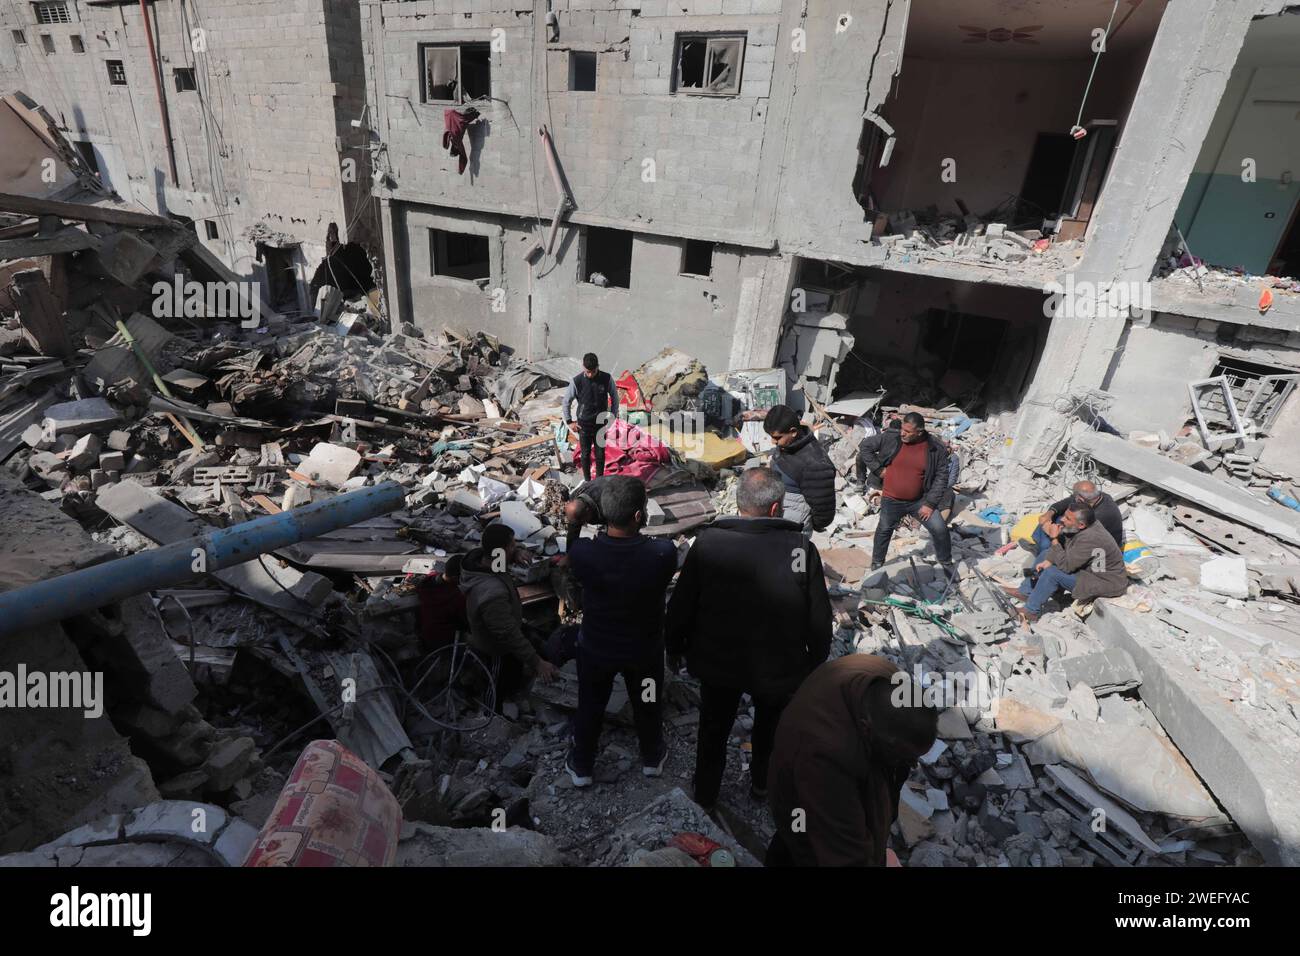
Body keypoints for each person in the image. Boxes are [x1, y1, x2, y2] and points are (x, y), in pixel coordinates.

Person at [666, 467, 833, 810]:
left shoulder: (709, 542)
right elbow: (819, 619)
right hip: (779, 666)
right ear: (776, 509)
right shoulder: (801, 549)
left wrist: (675, 646)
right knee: (770, 729)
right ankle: (761, 785)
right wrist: (814, 663)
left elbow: (682, 603)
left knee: (713, 729)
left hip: (717, 663)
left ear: (739, 503)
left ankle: (707, 795)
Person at [766, 655, 939, 867]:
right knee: (799, 846)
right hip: (801, 809)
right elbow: (846, 857)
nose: (912, 765)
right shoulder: (827, 757)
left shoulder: (881, 676)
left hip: (812, 786)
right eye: (902, 757)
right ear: (866, 728)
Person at [565, 476, 677, 787]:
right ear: (639, 516)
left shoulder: (584, 553)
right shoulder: (662, 554)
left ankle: (582, 765)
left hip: (596, 648)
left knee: (590, 703)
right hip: (643, 650)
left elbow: (573, 550)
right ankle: (652, 757)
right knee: (648, 701)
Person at [459, 523, 558, 701]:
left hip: (508, 632)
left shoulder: (484, 560)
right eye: (512, 545)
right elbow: (508, 635)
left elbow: (501, 559)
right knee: (498, 687)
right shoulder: (492, 594)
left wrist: (517, 551)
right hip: (497, 650)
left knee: (516, 674)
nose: (516, 546)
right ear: (502, 550)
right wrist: (537, 663)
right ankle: (491, 713)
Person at [857, 411, 954, 575]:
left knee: (940, 529)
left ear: (919, 432)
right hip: (890, 498)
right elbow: (865, 447)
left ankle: (946, 563)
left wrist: (930, 504)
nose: (903, 433)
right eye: (902, 428)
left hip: (919, 501)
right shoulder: (891, 438)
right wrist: (878, 469)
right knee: (884, 529)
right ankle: (877, 563)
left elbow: (941, 477)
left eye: (908, 432)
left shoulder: (935, 448)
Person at [1011, 504, 1128, 625]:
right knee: (1046, 554)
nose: (1062, 519)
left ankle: (1030, 612)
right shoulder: (1085, 525)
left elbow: (1066, 566)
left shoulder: (1091, 538)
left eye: (1067, 518)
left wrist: (1053, 539)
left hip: (1104, 581)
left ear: (1081, 525)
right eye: (1065, 516)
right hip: (1089, 571)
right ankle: (1025, 592)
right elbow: (1064, 544)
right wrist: (1049, 560)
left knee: (1052, 573)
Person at [763, 405, 837, 532]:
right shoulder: (787, 445)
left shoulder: (816, 464)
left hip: (794, 528)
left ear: (793, 432)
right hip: (777, 520)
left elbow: (824, 511)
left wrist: (808, 522)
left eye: (776, 437)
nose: (772, 442)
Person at [563, 352, 620, 481]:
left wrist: (613, 416)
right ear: (583, 367)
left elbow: (615, 398)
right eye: (587, 371)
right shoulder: (577, 381)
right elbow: (566, 401)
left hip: (600, 424)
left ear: (597, 367)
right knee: (585, 454)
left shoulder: (606, 379)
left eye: (593, 372)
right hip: (584, 425)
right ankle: (587, 481)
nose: (590, 374)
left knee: (600, 454)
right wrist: (569, 421)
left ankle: (599, 480)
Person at [1033, 480, 1124, 559]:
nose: (1073, 497)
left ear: (1080, 499)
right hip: (1082, 531)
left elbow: (1078, 536)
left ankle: (1043, 556)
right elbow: (1066, 502)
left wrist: (1052, 533)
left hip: (1098, 549)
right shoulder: (1095, 497)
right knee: (1051, 519)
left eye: (1075, 496)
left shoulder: (1100, 516)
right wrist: (1049, 513)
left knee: (1048, 541)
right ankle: (1041, 549)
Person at [416, 553, 467, 652]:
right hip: (447, 642)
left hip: (426, 637)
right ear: (456, 578)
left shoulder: (426, 584)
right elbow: (467, 621)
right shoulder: (456, 597)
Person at [563, 474, 614, 552]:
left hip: (626, 494)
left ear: (588, 510)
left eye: (583, 521)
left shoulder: (607, 504)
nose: (583, 524)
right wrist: (569, 554)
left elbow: (616, 527)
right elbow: (573, 531)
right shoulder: (575, 498)